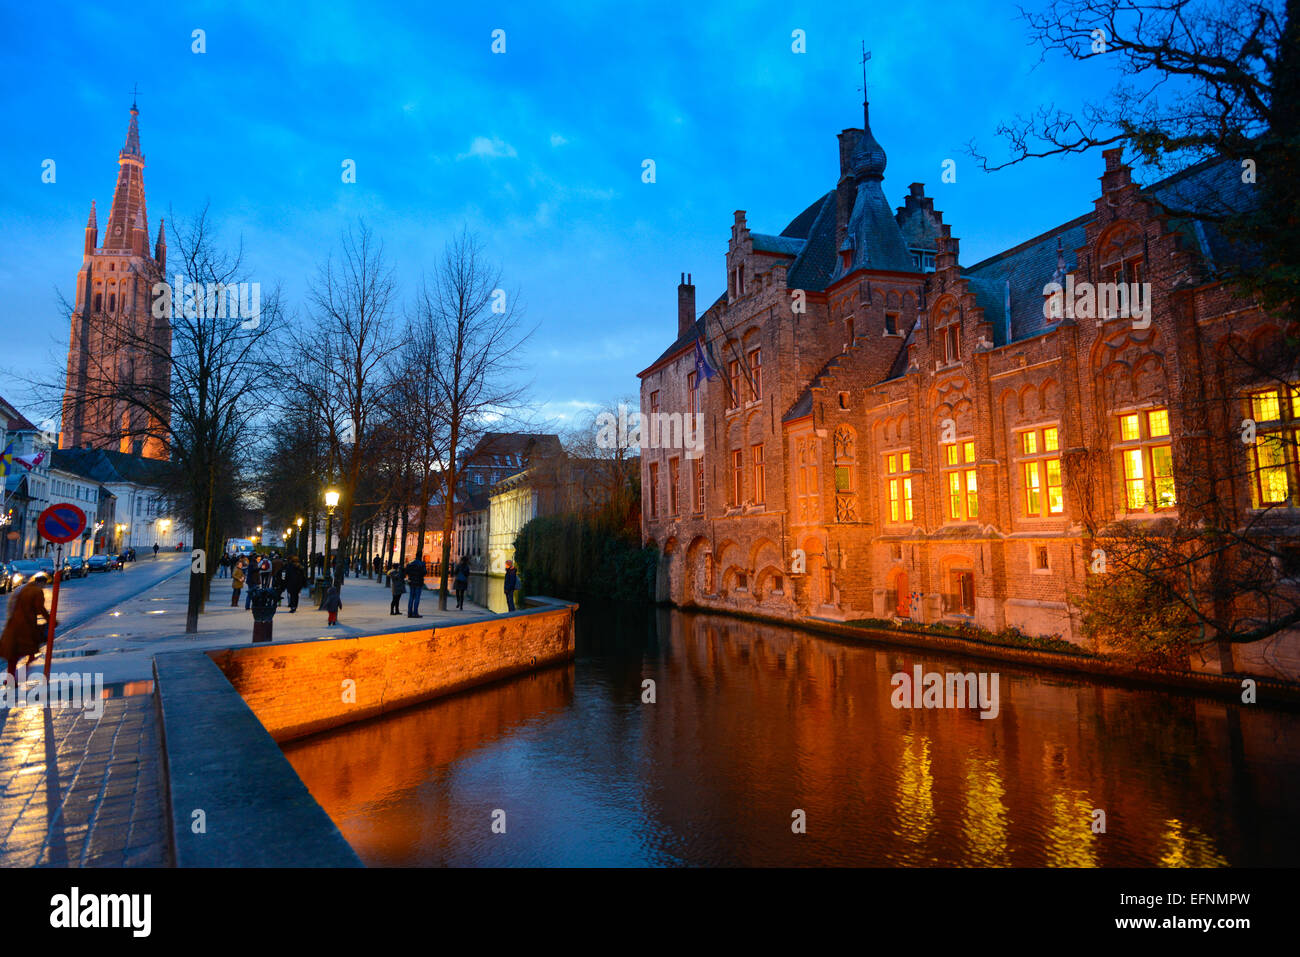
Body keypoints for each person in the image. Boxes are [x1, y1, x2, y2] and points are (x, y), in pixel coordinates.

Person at [1, 581, 53, 680]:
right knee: (30, 653)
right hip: (26, 627)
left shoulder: (20, 590)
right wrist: (51, 620)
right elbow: (40, 608)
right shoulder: (36, 591)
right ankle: (18, 675)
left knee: (13, 656)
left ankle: (10, 679)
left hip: (13, 625)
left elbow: (11, 607)